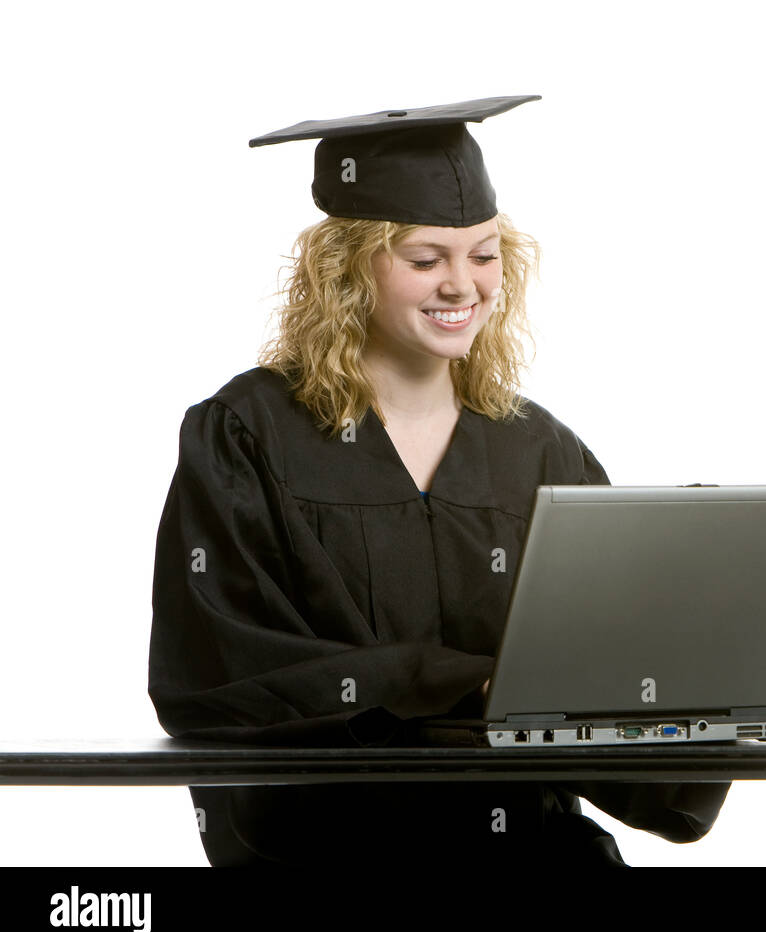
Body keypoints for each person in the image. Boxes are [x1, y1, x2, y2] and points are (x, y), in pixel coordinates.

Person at [147, 96, 731, 867]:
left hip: (529, 849)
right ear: (347, 270)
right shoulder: (248, 436)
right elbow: (222, 671)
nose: (463, 285)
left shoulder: (539, 450)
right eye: (426, 260)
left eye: (484, 255)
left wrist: (711, 656)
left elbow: (604, 661)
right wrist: (458, 685)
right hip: (335, 856)